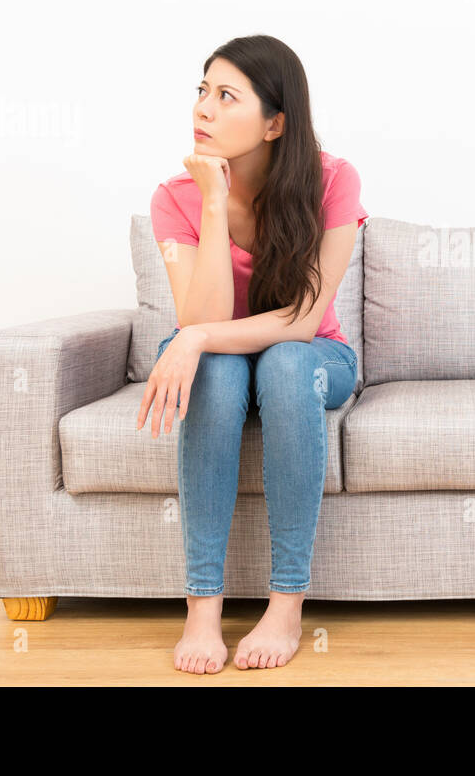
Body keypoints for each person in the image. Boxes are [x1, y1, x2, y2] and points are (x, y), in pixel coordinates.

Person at [136, 34, 367, 673]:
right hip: (219, 358)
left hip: (313, 354)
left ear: (275, 122)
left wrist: (199, 337)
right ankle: (202, 608)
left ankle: (287, 602)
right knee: (214, 368)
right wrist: (213, 200)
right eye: (202, 91)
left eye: (226, 96)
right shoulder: (174, 198)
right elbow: (202, 317)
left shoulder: (333, 180)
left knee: (284, 363)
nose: (202, 109)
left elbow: (303, 320)